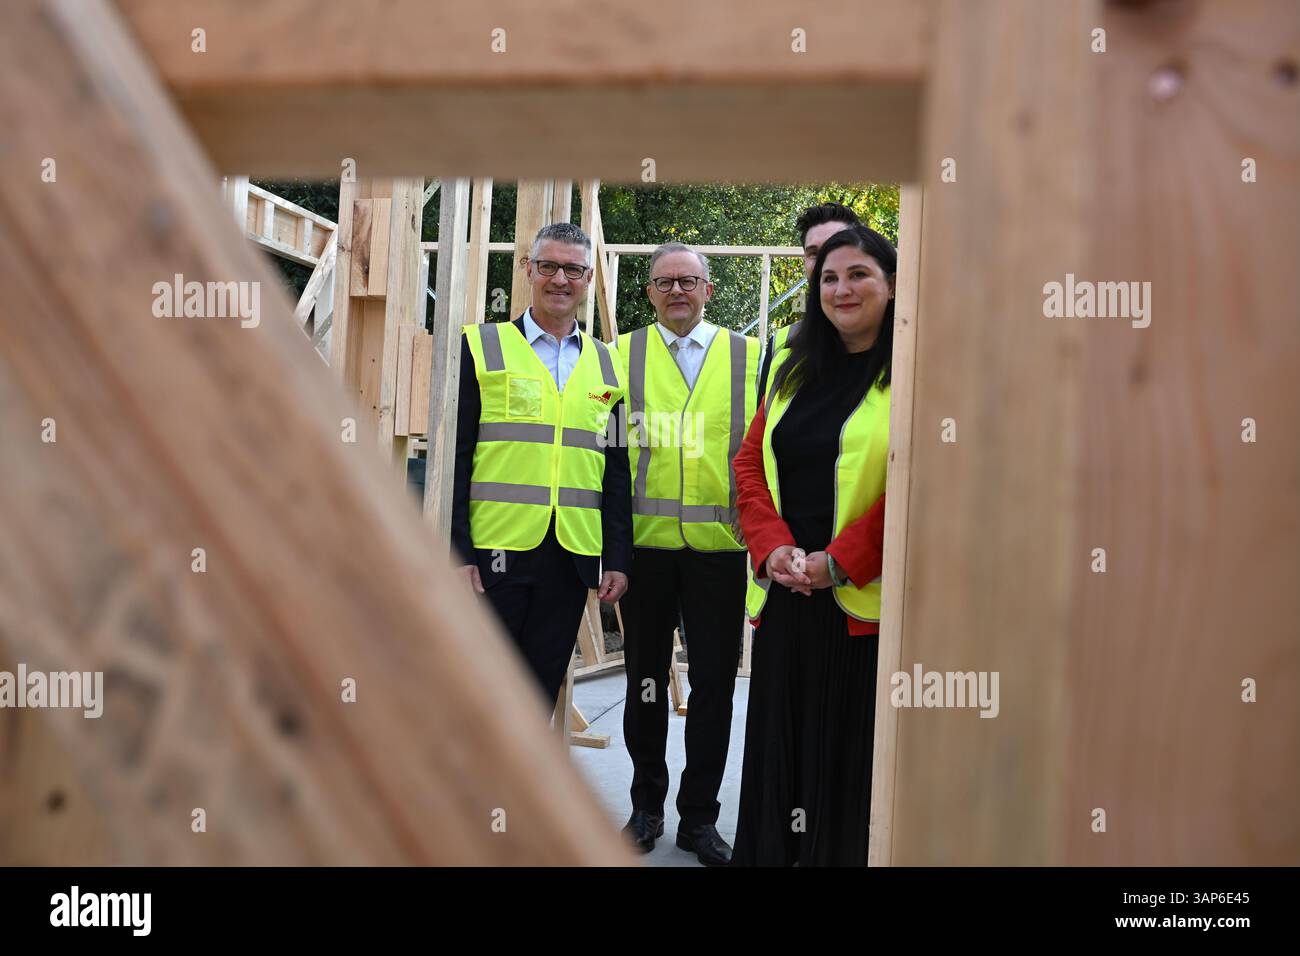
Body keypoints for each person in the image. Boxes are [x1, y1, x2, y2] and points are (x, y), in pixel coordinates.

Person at [730, 225, 894, 866]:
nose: (841, 288)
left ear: (891, 284)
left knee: (845, 763)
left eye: (858, 275)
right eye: (828, 276)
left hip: (862, 611)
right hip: (786, 601)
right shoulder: (791, 364)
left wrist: (841, 562)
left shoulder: (915, 370)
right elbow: (749, 463)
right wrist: (771, 549)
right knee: (780, 756)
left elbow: (921, 483)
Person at [616, 243, 759, 865]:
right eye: (665, 281)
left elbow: (764, 453)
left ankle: (698, 819)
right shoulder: (620, 355)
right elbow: (604, 454)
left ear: (709, 289)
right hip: (644, 551)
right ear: (648, 291)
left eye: (689, 281)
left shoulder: (750, 358)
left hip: (720, 552)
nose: (677, 290)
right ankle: (646, 805)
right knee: (644, 681)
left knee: (714, 689)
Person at [451, 222, 631, 707]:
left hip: (570, 557)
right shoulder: (481, 347)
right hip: (494, 553)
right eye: (548, 266)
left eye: (573, 269)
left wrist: (615, 558)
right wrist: (457, 551)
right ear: (528, 269)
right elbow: (456, 454)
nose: (560, 279)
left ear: (588, 279)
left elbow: (616, 470)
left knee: (536, 696)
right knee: (479, 693)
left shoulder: (608, 364)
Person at [757, 201, 862, 397]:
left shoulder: (898, 342)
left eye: (835, 247)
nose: (825, 262)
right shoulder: (781, 344)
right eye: (814, 253)